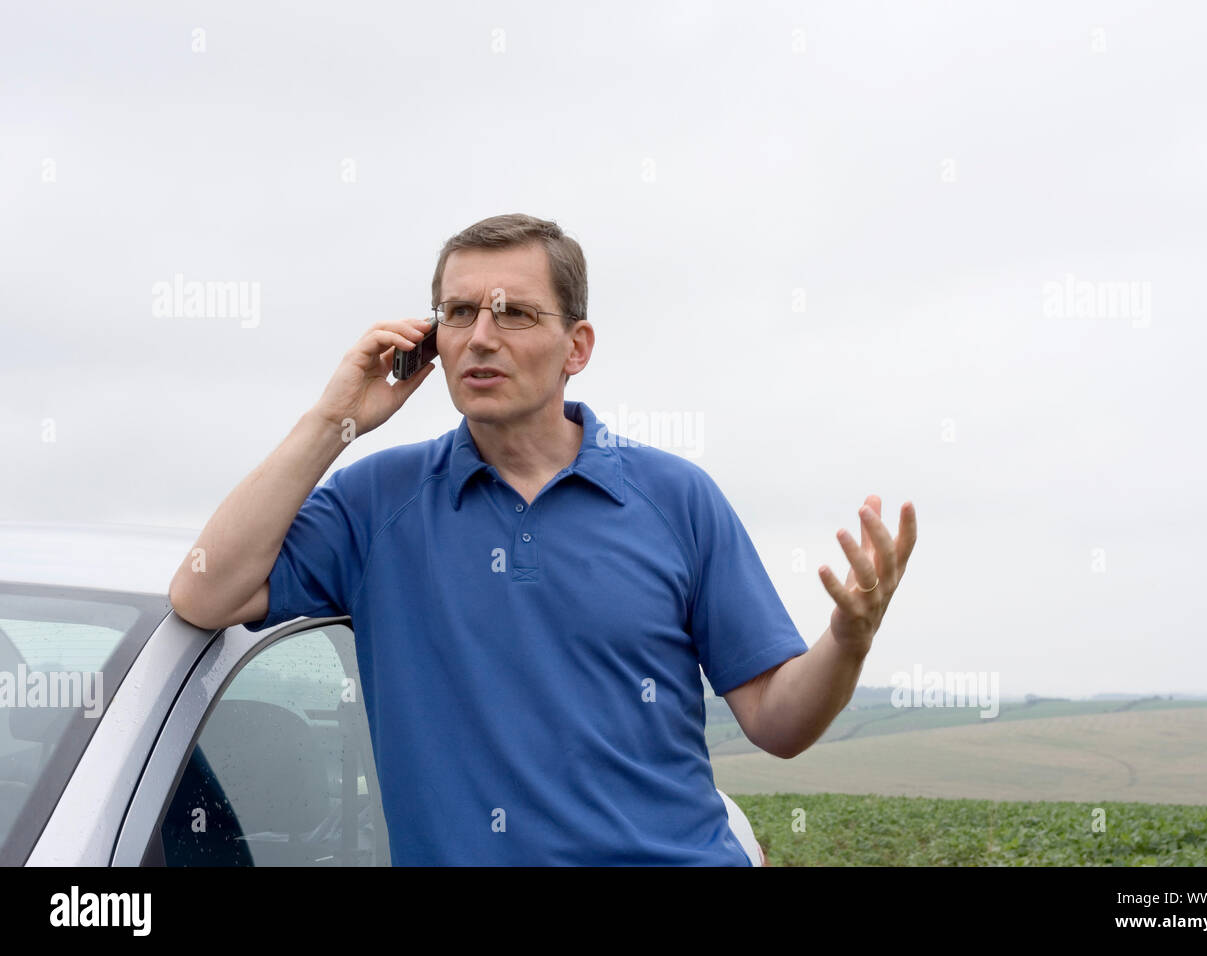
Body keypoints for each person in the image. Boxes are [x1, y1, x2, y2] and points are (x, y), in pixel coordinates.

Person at [168, 213, 917, 865]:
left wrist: (848, 640)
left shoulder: (676, 499)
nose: (480, 338)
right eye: (458, 313)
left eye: (514, 314)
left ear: (577, 346)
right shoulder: (377, 503)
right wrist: (336, 418)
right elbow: (206, 591)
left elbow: (777, 723)